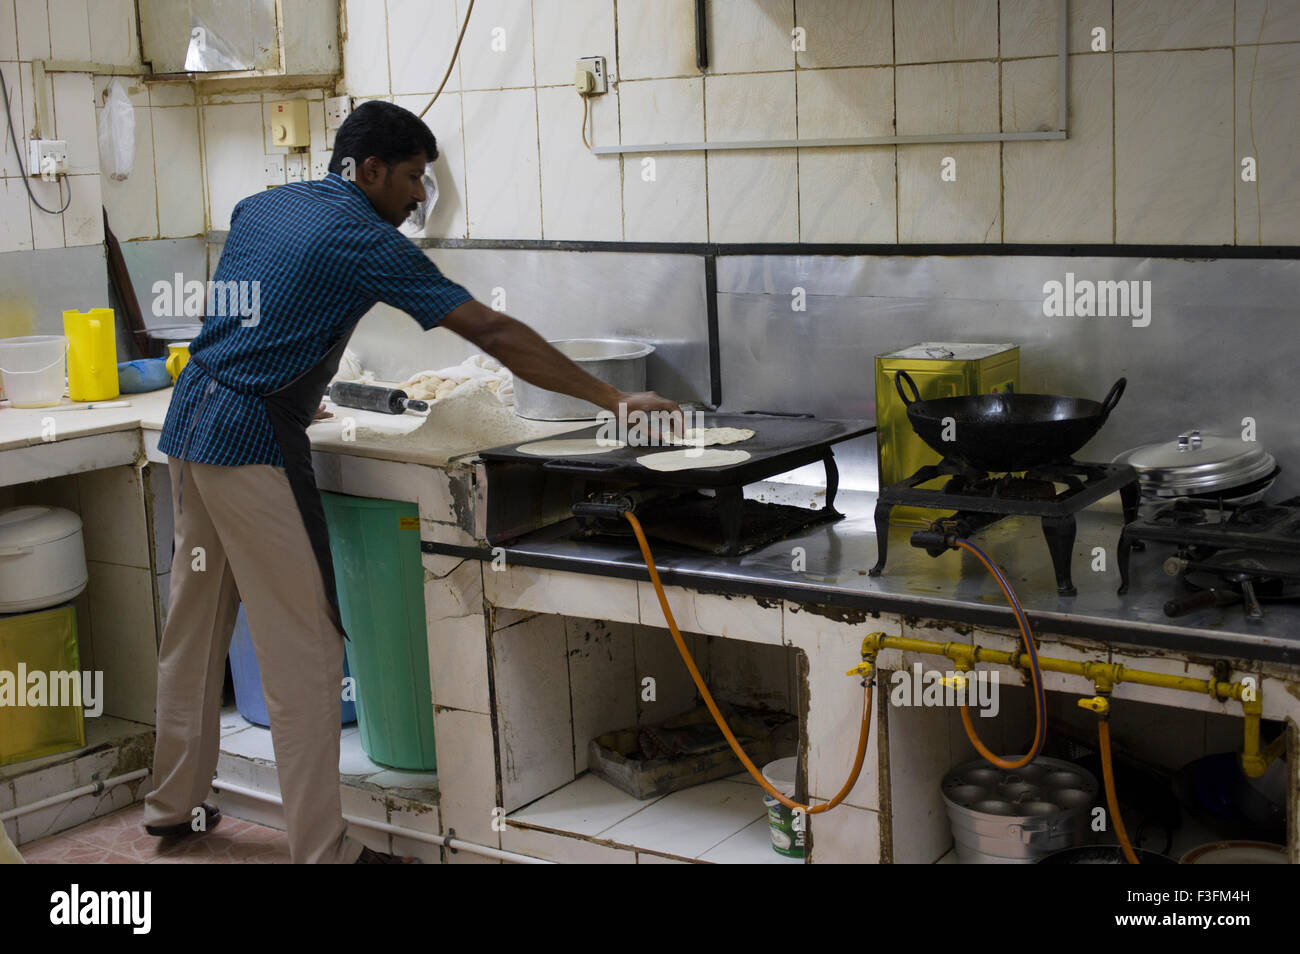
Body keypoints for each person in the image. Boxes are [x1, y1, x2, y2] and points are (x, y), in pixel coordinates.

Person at [144, 100, 681, 863]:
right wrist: (614, 398)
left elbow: (254, 304)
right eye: (412, 179)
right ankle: (325, 853)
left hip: (194, 415)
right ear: (369, 171)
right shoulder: (365, 240)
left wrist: (289, 373)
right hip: (250, 437)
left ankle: (172, 805)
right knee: (308, 650)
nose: (420, 196)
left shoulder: (265, 204)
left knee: (193, 627)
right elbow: (491, 333)